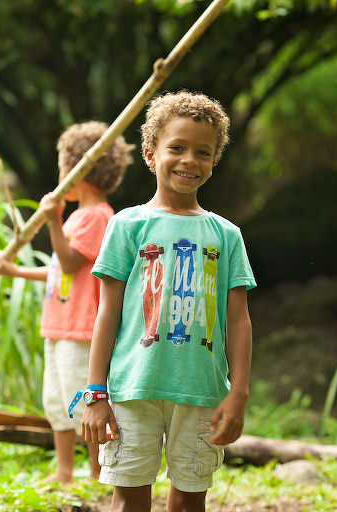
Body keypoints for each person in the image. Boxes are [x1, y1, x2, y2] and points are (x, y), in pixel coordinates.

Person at [80, 91, 256, 512]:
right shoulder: (127, 225)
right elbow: (106, 313)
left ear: (214, 161)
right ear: (150, 154)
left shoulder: (226, 236)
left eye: (203, 152)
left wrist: (239, 393)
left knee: (190, 501)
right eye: (176, 148)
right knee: (129, 500)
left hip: (202, 392)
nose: (189, 160)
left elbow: (239, 321)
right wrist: (95, 392)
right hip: (132, 388)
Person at [0, 121, 134, 485]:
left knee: (83, 400)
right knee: (57, 401)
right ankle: (64, 471)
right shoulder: (79, 217)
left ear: (77, 171)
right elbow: (60, 270)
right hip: (59, 325)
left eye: (61, 167)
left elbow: (68, 262)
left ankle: (97, 472)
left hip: (82, 329)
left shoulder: (99, 217)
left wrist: (53, 220)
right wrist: (14, 271)